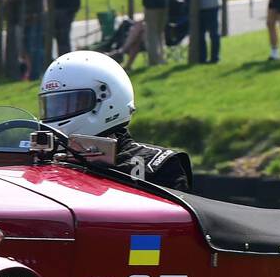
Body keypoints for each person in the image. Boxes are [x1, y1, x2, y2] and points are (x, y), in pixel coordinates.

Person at [37, 51, 193, 191]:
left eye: (69, 104)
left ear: (105, 98)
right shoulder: (43, 161)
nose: (59, 112)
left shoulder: (157, 166)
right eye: (54, 106)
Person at [0, 0, 47, 79]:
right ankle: (30, 73)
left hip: (36, 18)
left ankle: (37, 74)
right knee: (26, 48)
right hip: (25, 19)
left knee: (35, 47)